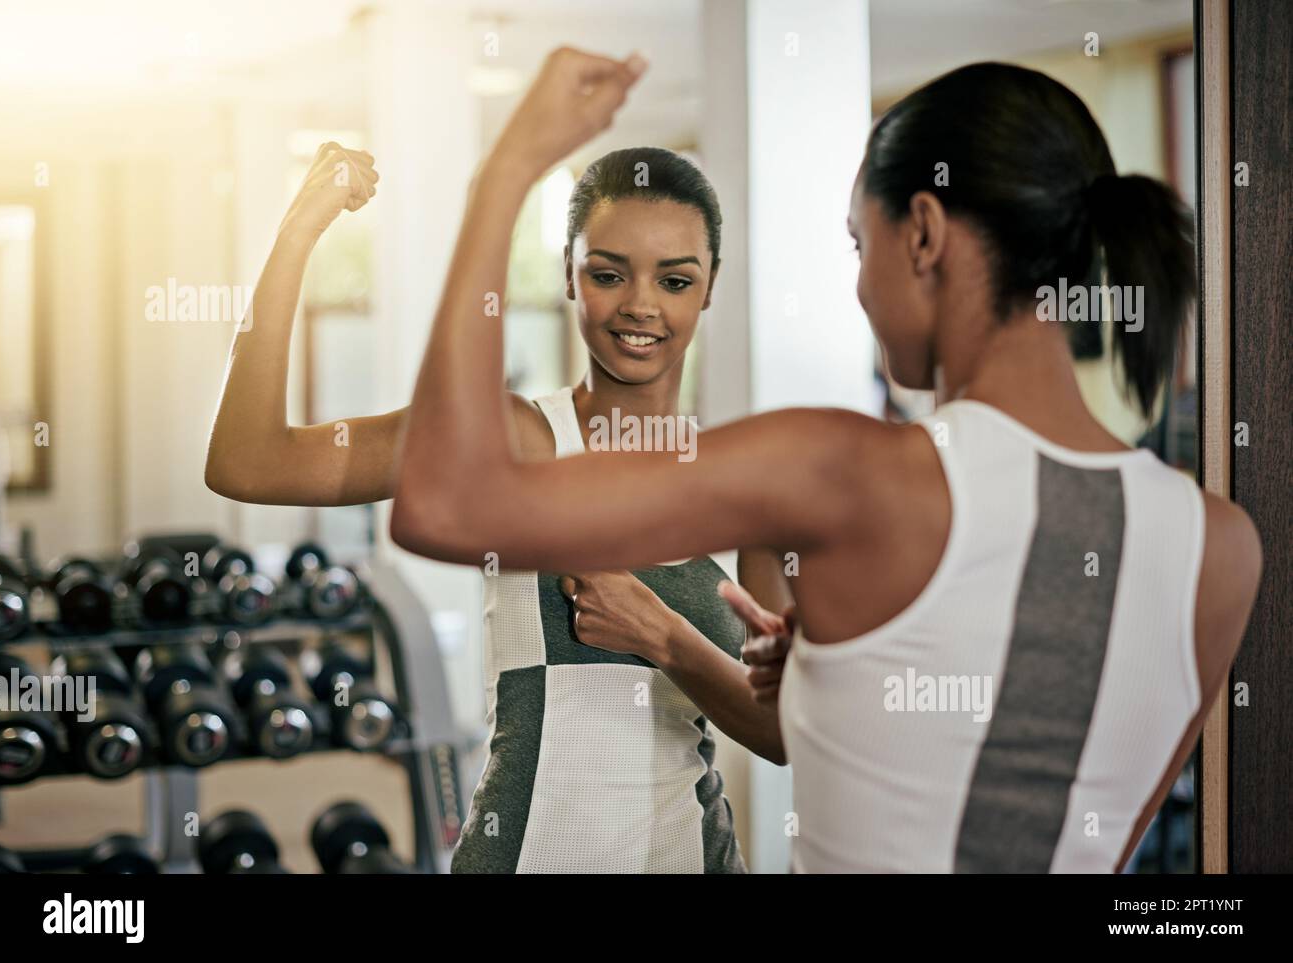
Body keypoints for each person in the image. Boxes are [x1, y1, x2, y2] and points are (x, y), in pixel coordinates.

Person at [389, 49, 1264, 873]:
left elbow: (444, 504)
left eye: (858, 243)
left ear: (923, 233)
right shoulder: (1221, 547)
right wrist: (833, 687)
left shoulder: (843, 467)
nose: (857, 283)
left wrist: (503, 175)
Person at [204, 141, 788, 873]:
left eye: (675, 279)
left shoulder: (752, 488)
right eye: (608, 273)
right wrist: (295, 237)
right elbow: (248, 461)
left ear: (708, 287)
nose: (641, 305)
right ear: (568, 277)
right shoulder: (513, 439)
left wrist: (666, 635)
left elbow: (782, 728)